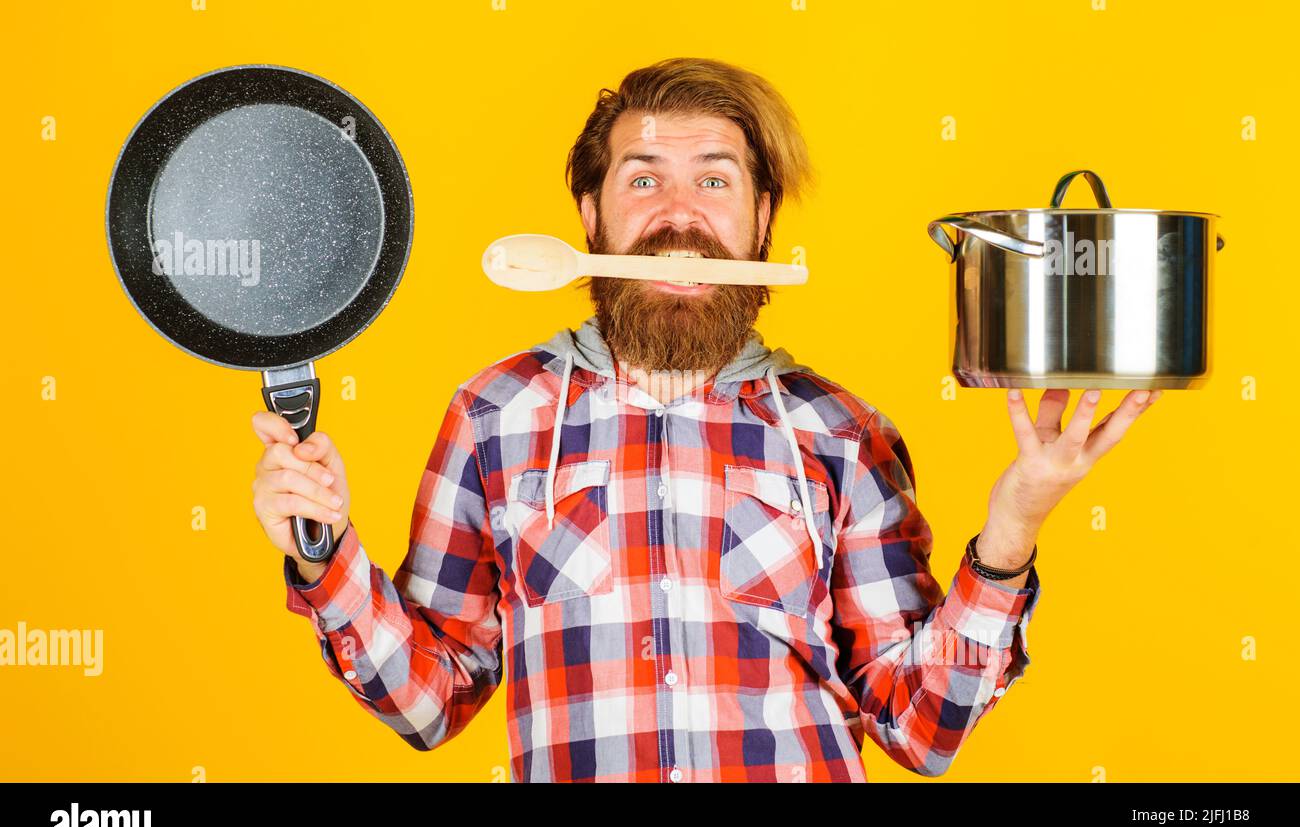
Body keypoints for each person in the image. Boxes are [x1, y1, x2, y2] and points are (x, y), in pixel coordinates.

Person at [250, 57, 1159, 782]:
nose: (679, 216)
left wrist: (1015, 526)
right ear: (589, 216)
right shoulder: (494, 416)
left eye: (715, 182)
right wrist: (323, 556)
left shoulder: (841, 434)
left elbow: (921, 730)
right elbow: (428, 703)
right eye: (642, 182)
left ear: (761, 221)